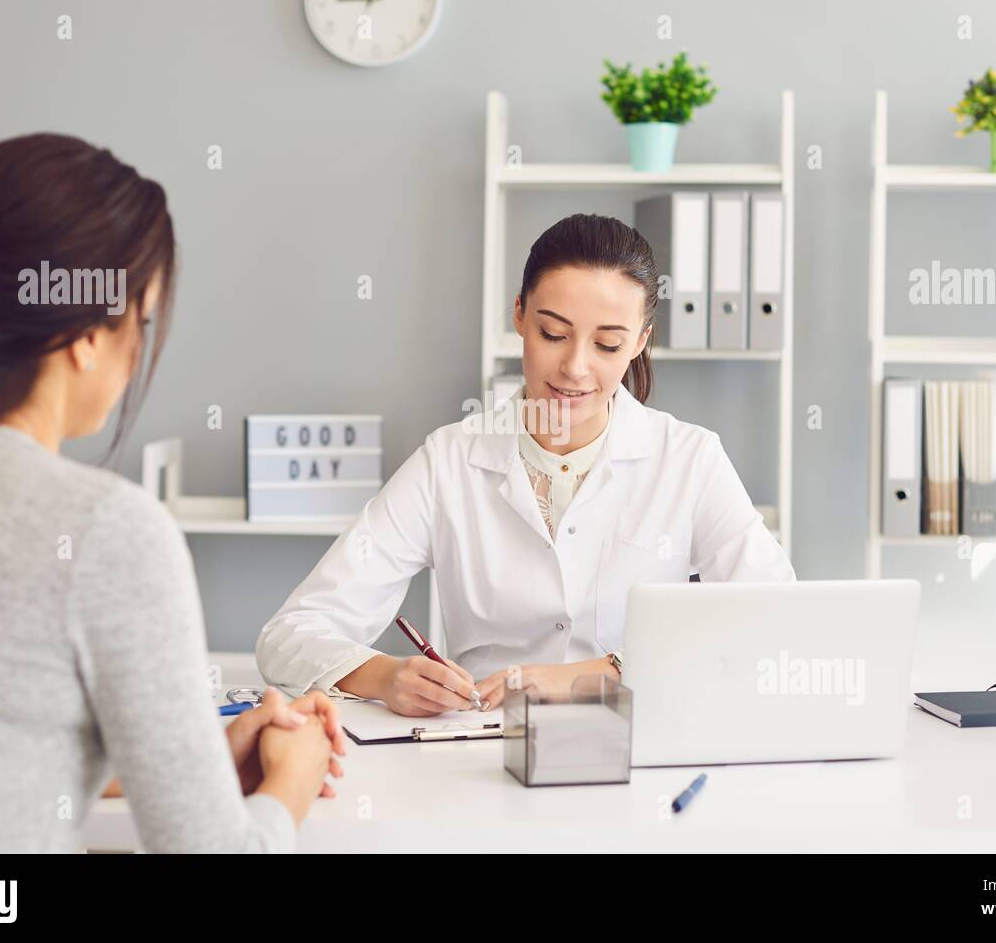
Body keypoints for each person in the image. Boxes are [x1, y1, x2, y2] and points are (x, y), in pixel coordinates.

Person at [0, 133, 343, 852]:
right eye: (140, 321)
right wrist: (293, 781)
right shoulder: (102, 529)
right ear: (88, 333)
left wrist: (199, 755)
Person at [258, 213, 794, 716]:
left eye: (608, 344)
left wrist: (599, 673)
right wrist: (383, 676)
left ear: (640, 342)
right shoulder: (449, 462)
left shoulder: (689, 460)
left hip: (640, 751)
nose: (575, 368)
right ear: (519, 314)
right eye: (553, 334)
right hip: (482, 752)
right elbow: (291, 634)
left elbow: (776, 619)